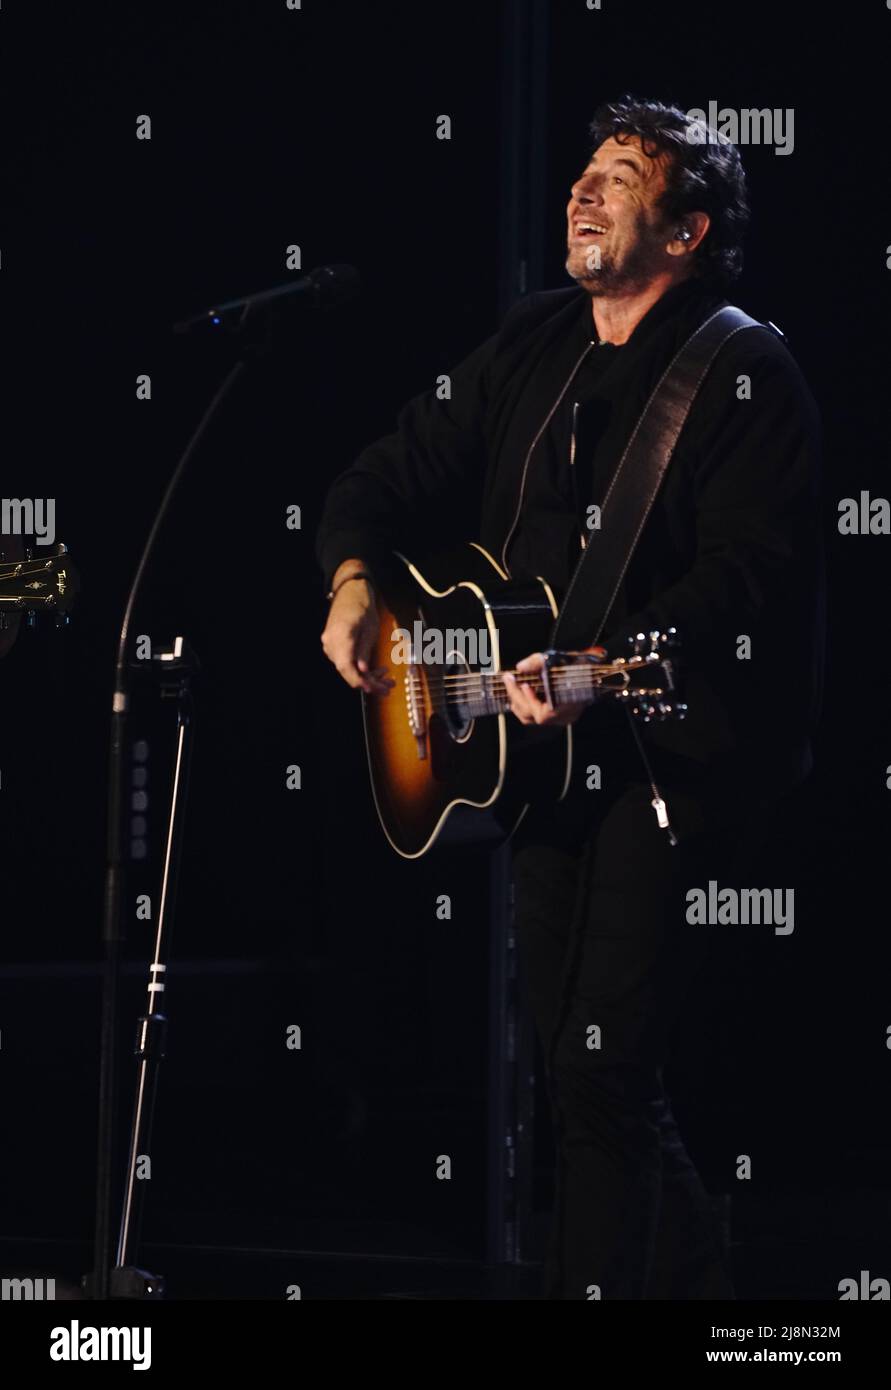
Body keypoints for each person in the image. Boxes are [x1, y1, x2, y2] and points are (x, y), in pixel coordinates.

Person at [316, 96, 825, 1299]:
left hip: (666, 758)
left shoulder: (748, 371)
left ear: (688, 230)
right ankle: (698, 1281)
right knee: (573, 1058)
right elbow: (386, 470)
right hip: (538, 762)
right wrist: (349, 581)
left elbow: (750, 580)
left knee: (603, 1067)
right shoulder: (538, 340)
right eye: (584, 173)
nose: (582, 192)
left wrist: (607, 662)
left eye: (621, 178)